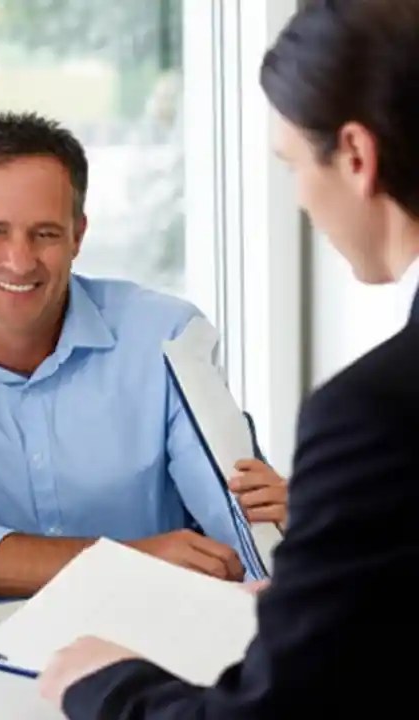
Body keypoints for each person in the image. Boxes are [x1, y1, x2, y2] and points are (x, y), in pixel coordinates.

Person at [40, 0, 419, 716]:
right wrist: (335, 588)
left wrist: (105, 682)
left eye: (292, 166)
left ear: (358, 157)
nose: (303, 199)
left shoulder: (371, 412)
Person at [0, 112, 288, 614]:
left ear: (78, 235)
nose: (19, 260)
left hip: (152, 630)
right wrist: (124, 563)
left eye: (45, 234)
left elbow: (236, 509)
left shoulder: (165, 336)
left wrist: (296, 540)